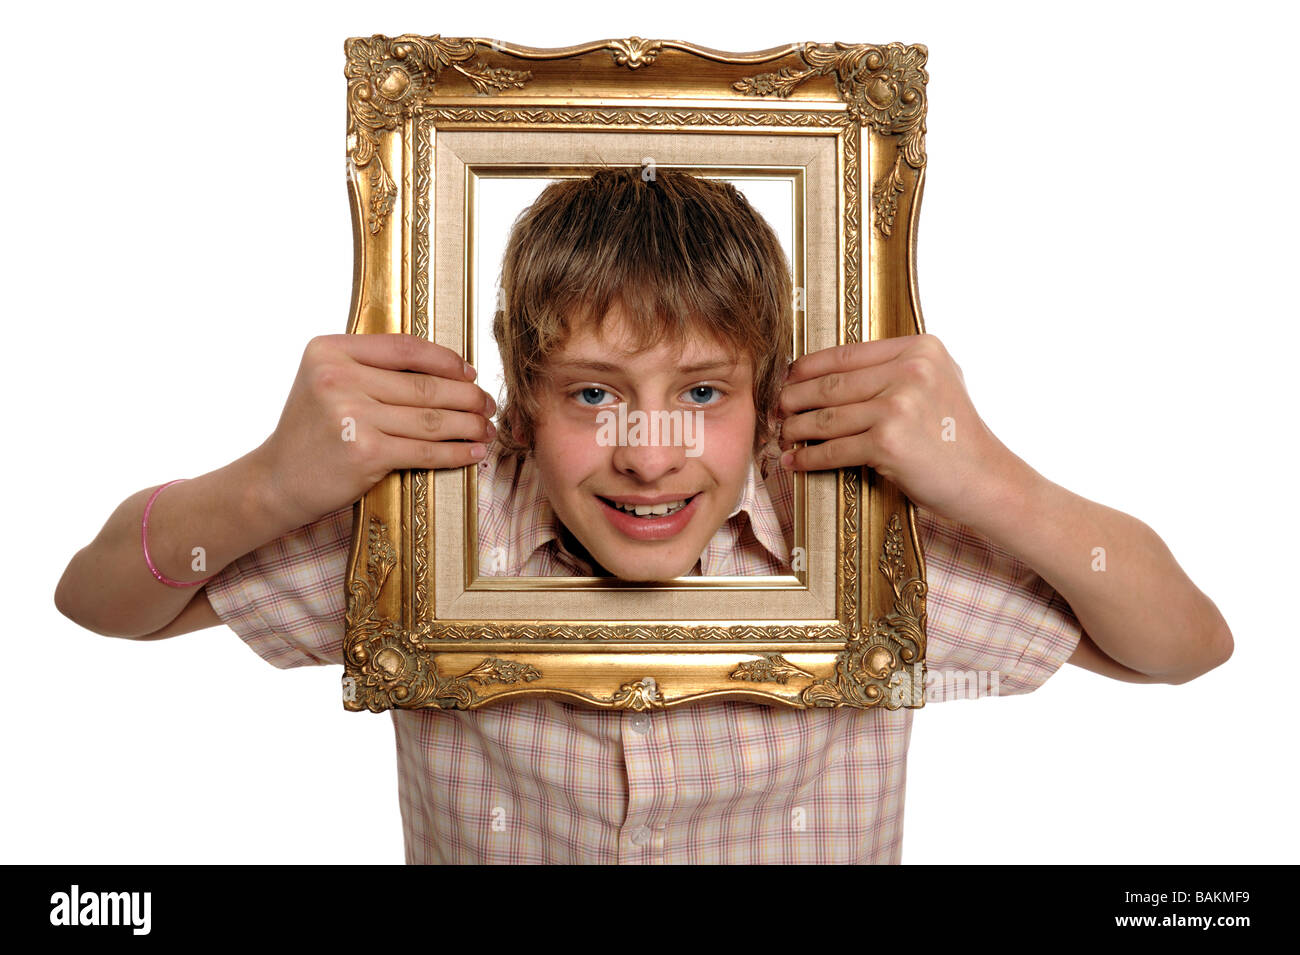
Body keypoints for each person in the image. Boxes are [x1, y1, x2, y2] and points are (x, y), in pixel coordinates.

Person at [54, 169, 1233, 863]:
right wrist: (269, 483)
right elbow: (104, 602)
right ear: (520, 399)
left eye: (703, 392)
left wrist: (988, 478)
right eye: (592, 393)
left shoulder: (855, 547)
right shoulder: (431, 536)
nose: (648, 450)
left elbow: (1179, 646)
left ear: (769, 401)